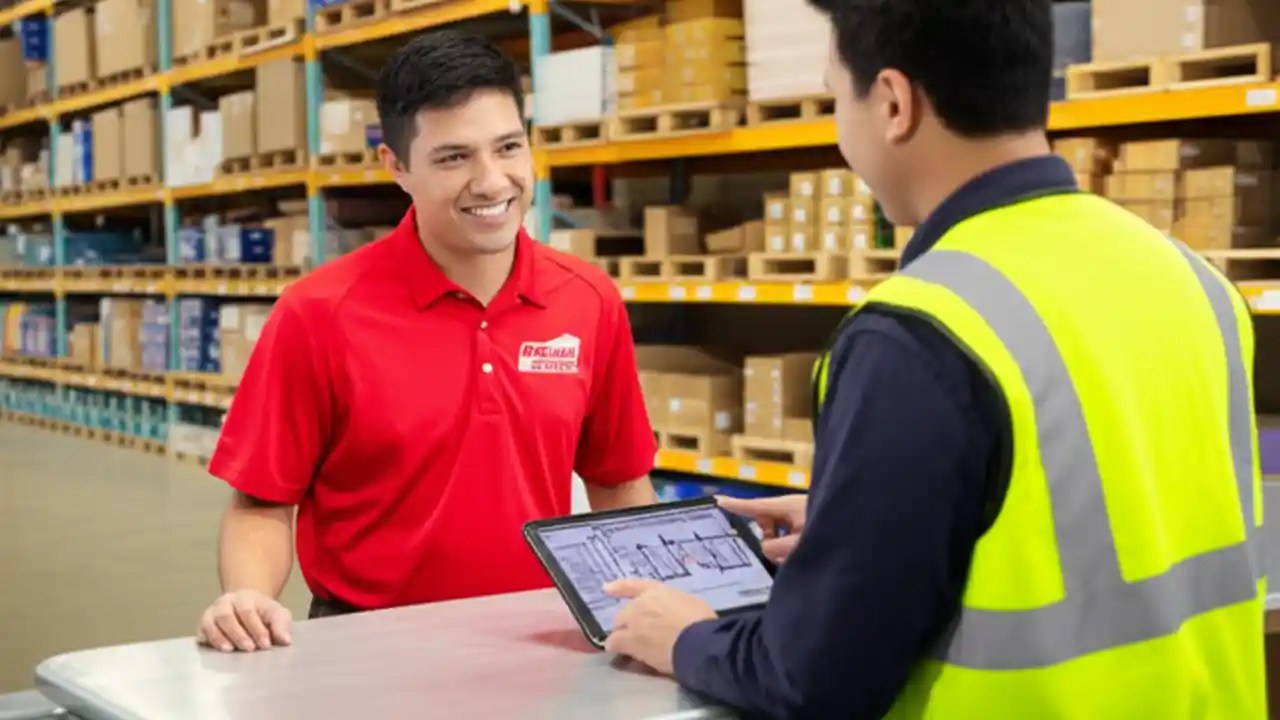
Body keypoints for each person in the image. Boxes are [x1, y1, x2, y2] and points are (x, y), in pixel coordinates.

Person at [602, 1, 1266, 717]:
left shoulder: (919, 332)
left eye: (835, 96)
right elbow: (1107, 507)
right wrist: (868, 525)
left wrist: (689, 637)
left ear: (892, 102)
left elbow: (816, 681)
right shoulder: (1192, 279)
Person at [196, 30, 659, 653]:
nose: (492, 181)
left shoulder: (588, 299)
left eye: (508, 148)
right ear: (397, 168)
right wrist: (250, 598)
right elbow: (262, 504)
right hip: (365, 643)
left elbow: (620, 482)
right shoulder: (319, 314)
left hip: (545, 637)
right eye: (453, 158)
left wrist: (656, 601)